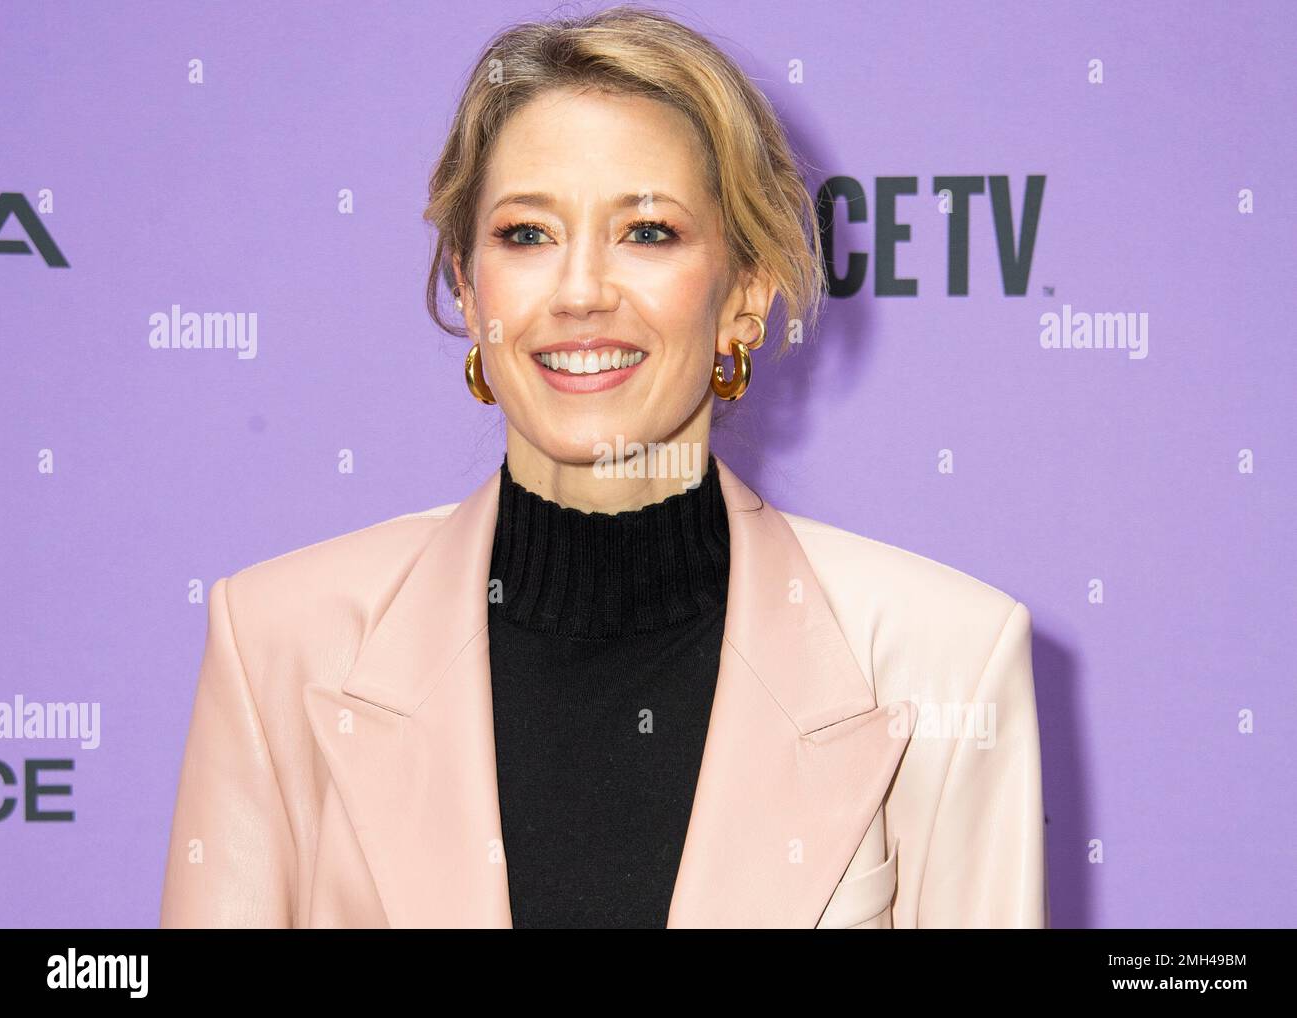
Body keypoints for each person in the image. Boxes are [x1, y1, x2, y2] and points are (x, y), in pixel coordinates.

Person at [159, 4, 1048, 929]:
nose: (582, 292)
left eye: (650, 232)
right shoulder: (277, 644)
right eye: (527, 235)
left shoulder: (945, 661)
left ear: (746, 294)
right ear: (468, 289)